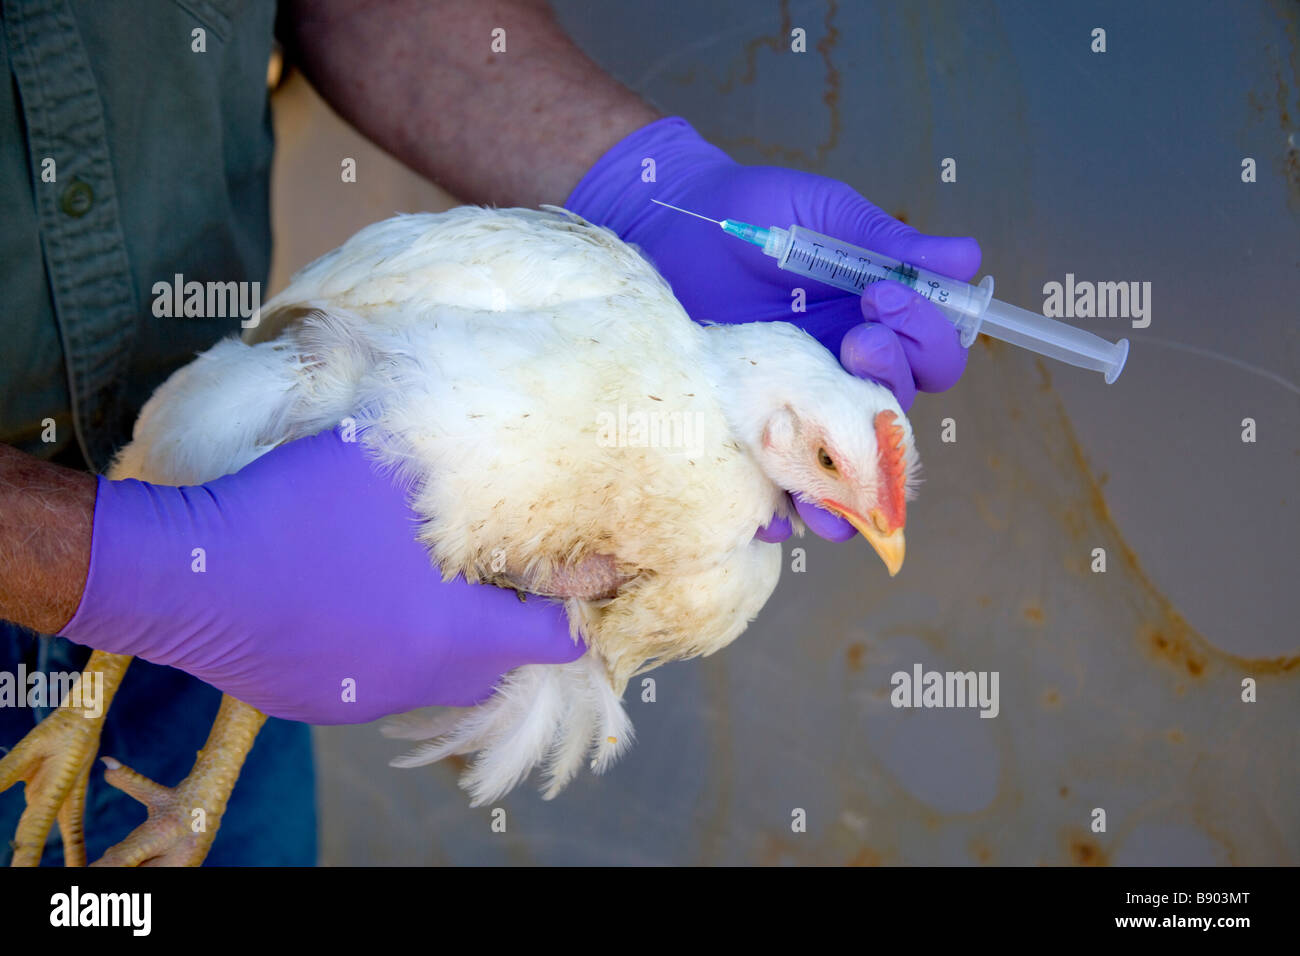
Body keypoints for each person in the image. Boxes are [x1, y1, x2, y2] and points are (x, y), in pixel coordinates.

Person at [0, 0, 978, 865]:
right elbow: (257, 449)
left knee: (268, 585)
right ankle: (97, 697)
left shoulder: (723, 524)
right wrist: (120, 567)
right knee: (236, 522)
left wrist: (642, 177)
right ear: (784, 414)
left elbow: (291, 576)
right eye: (822, 459)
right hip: (148, 478)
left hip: (204, 672)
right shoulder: (571, 317)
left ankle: (185, 774)